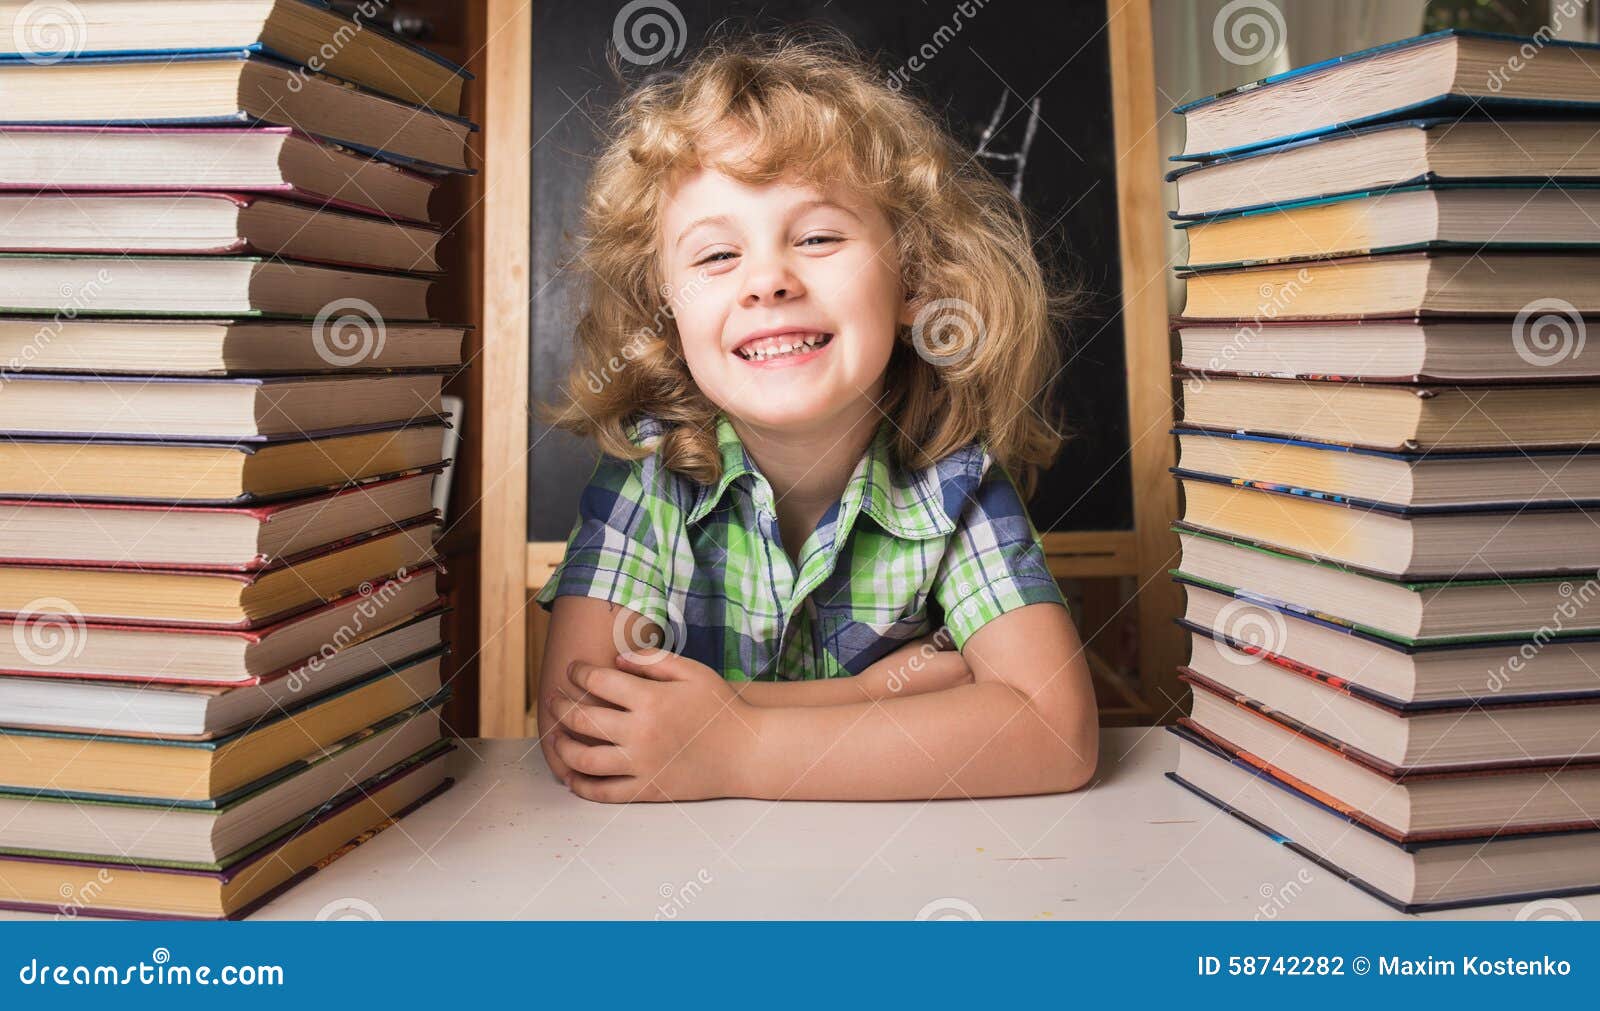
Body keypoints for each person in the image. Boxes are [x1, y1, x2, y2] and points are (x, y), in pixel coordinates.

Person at [534, 29, 1098, 802]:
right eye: (714, 257)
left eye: (819, 236)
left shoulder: (957, 481)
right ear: (664, 318)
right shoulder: (648, 474)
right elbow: (589, 725)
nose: (767, 279)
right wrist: (874, 696)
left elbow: (1054, 732)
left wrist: (733, 742)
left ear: (914, 282)